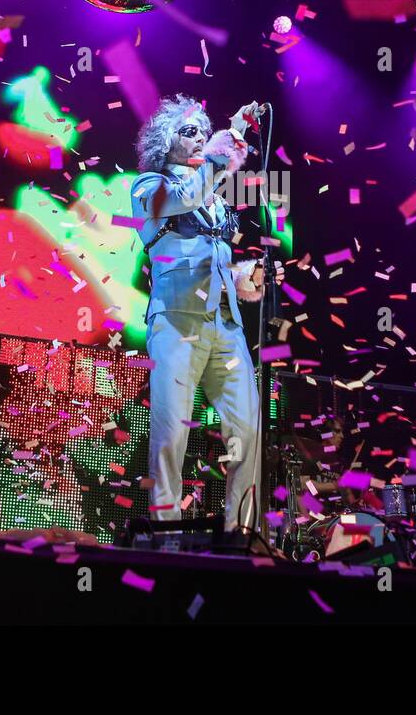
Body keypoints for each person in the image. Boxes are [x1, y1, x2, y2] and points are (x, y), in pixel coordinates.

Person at [130, 94, 274, 532]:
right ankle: (166, 532)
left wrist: (249, 275)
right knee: (171, 434)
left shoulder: (214, 198)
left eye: (203, 130)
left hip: (225, 327)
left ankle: (241, 533)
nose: (199, 138)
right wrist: (227, 140)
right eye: (190, 131)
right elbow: (185, 199)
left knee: (247, 433)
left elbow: (216, 259)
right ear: (165, 142)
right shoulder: (147, 188)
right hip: (177, 323)